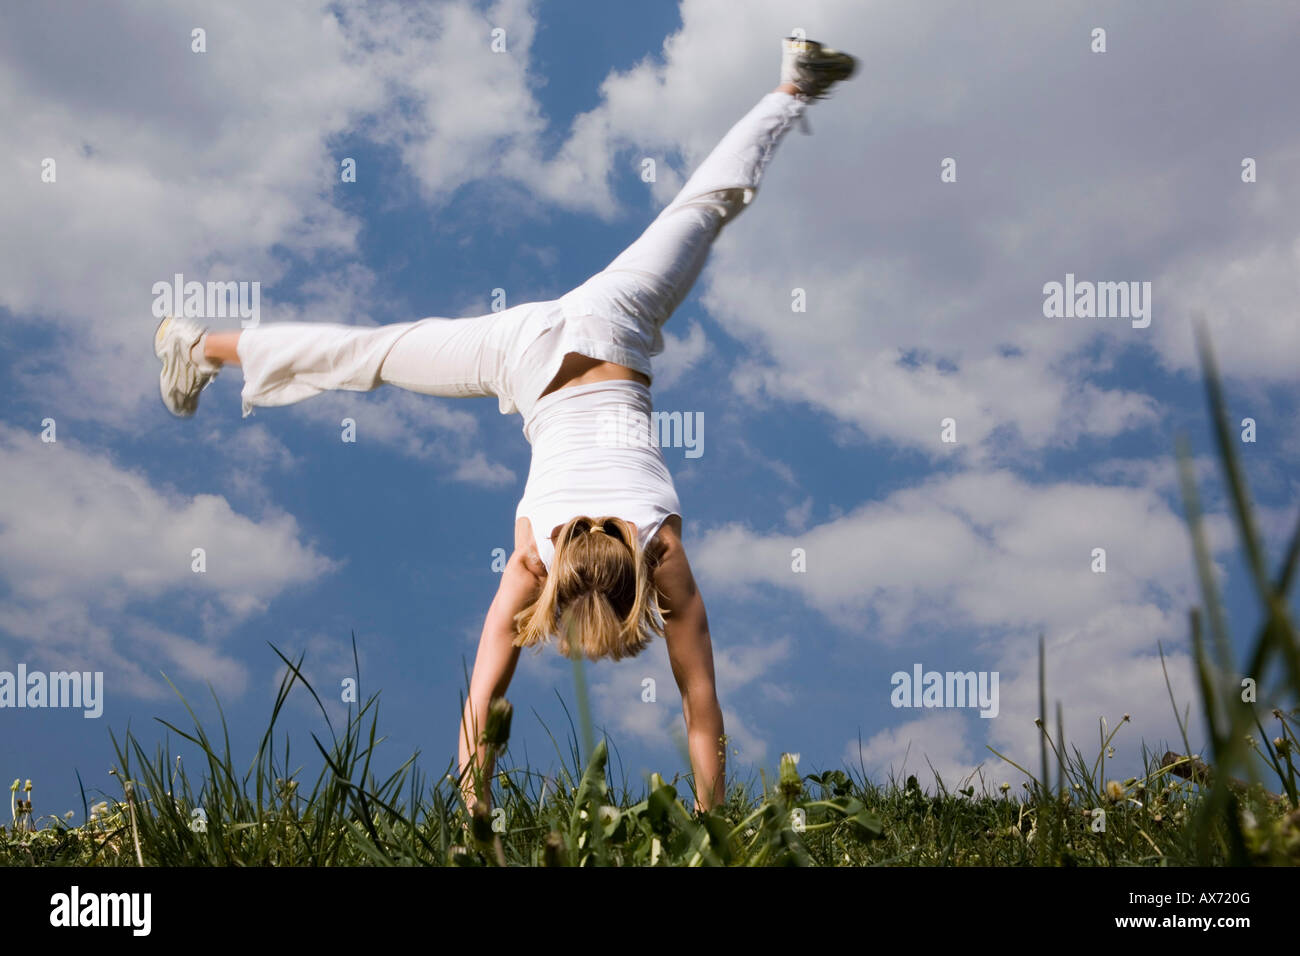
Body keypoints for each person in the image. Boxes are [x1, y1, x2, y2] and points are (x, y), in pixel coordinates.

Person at [153, 36, 856, 813]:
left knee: (702, 206)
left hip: (608, 322)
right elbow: (487, 694)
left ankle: (791, 89)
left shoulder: (662, 551)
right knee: (376, 353)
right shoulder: (540, 557)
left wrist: (698, 820)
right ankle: (790, 90)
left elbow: (701, 712)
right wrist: (474, 811)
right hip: (530, 353)